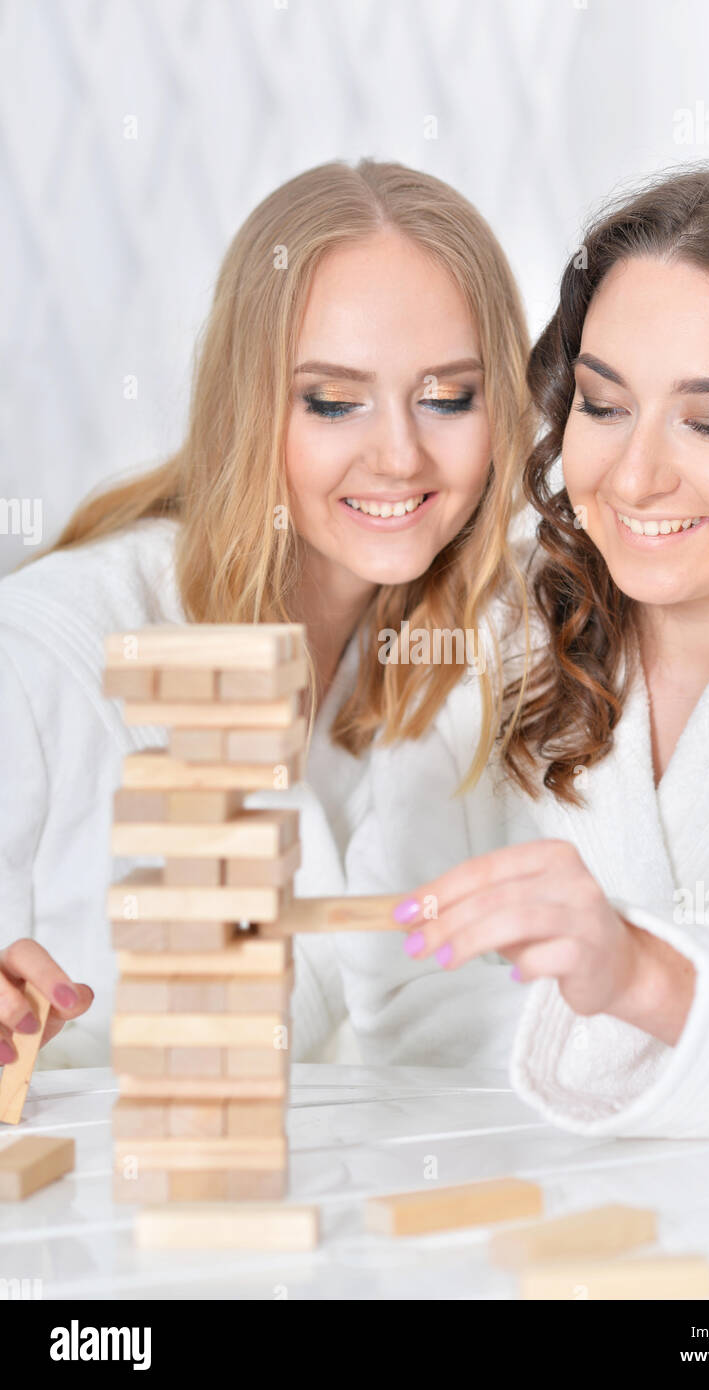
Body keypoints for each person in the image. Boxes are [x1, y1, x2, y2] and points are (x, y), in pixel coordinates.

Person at [348, 165, 709, 1137]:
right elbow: (397, 1002)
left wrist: (638, 973)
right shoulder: (479, 637)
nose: (634, 475)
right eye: (601, 403)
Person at [0, 159, 531, 1070]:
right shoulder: (47, 652)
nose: (399, 455)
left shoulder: (489, 642)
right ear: (248, 406)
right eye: (332, 401)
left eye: (448, 398)